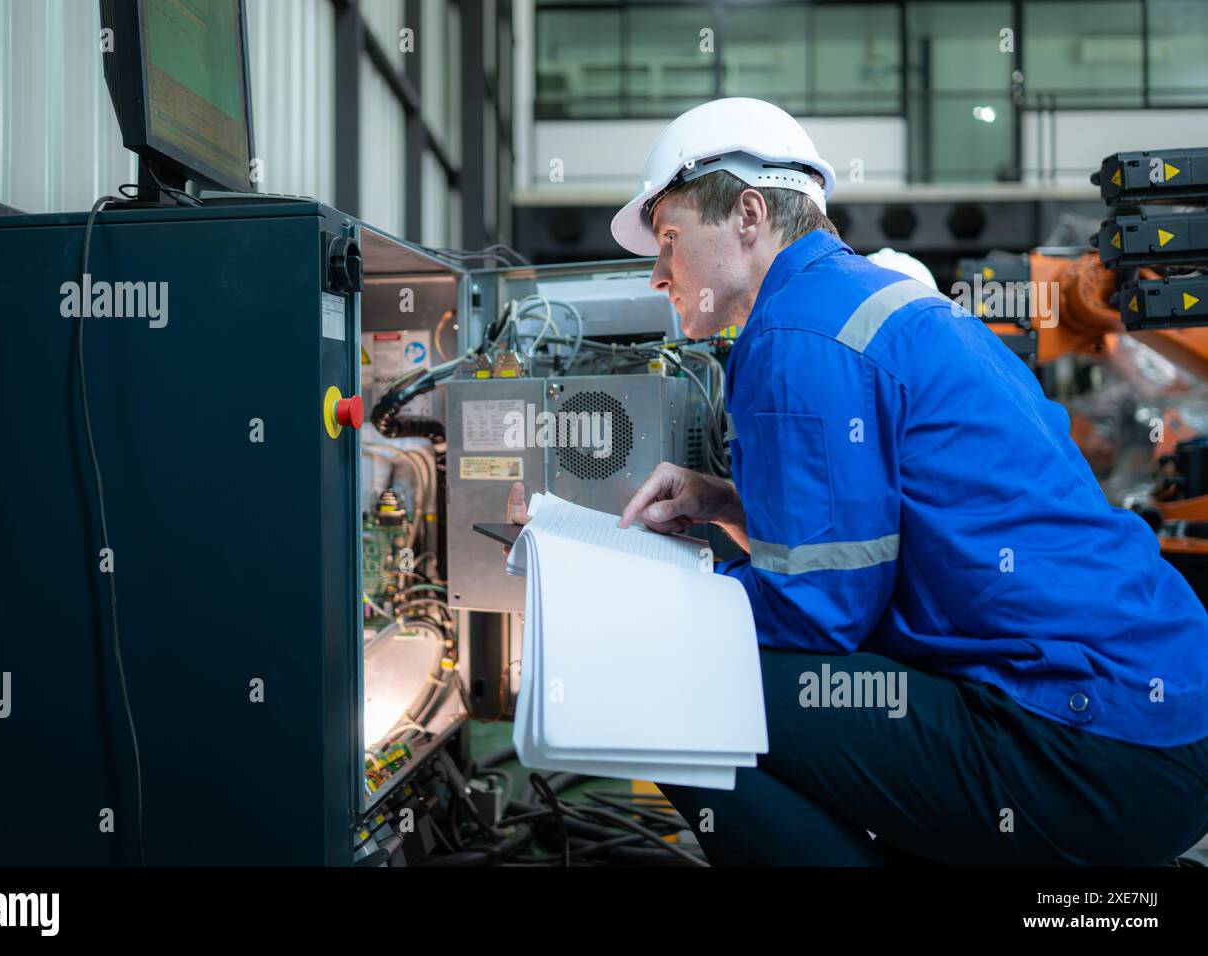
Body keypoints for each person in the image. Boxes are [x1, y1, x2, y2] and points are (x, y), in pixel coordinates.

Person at [503, 97, 1208, 866]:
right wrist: (727, 502)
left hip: (1087, 744)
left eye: (669, 238)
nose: (658, 272)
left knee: (658, 682)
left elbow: (817, 617)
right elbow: (878, 530)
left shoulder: (796, 334)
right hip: (1160, 721)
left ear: (747, 214)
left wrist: (614, 592)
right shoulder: (870, 304)